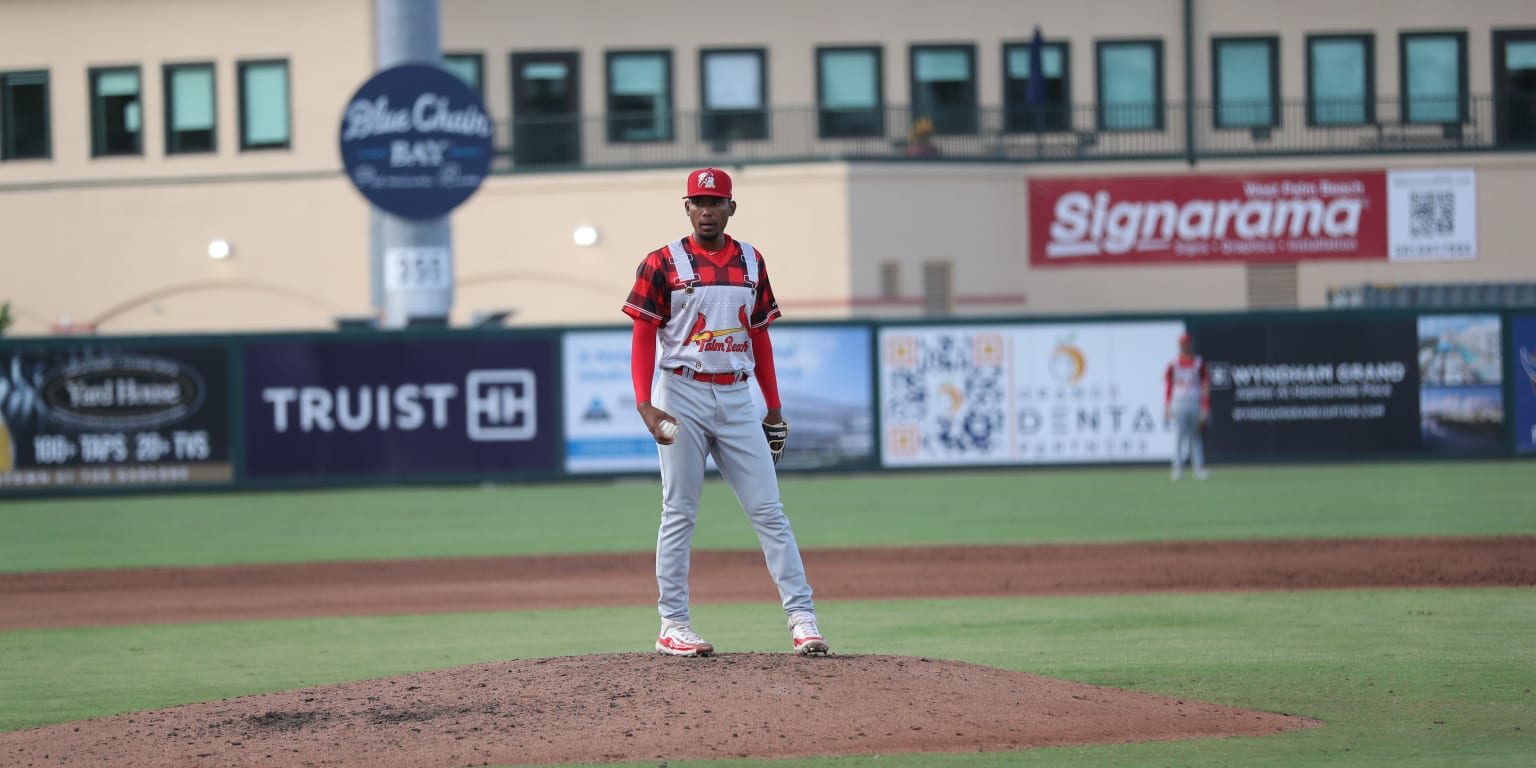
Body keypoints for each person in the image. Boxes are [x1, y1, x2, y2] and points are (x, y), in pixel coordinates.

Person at [622, 167, 829, 658]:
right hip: (682, 391)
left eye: (716, 202)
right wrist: (645, 405)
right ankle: (673, 625)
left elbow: (759, 336)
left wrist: (773, 407)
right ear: (686, 207)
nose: (707, 210)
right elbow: (643, 336)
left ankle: (803, 620)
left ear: (731, 208)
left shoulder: (753, 262)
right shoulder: (662, 262)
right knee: (679, 512)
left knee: (769, 512)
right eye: (699, 202)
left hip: (737, 396)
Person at [1165, 333, 1210, 481]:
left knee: (1195, 436)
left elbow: (1205, 385)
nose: (1184, 346)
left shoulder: (1198, 362)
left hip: (1194, 402)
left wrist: (1205, 407)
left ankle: (1198, 468)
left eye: (1186, 343)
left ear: (1190, 344)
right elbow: (1169, 386)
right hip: (1179, 403)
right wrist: (1167, 405)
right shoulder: (1174, 363)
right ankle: (1178, 468)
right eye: (1182, 343)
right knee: (1179, 436)